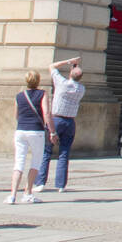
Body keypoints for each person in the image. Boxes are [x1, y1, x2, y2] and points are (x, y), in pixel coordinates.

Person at [36, 56, 86, 193]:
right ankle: (60, 185)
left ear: (70, 74)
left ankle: (40, 182)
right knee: (64, 153)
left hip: (56, 120)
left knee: (46, 151)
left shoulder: (62, 84)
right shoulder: (81, 89)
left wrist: (69, 62)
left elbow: (52, 66)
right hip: (70, 122)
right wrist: (74, 68)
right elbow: (75, 77)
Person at [8, 71, 55, 204]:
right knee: (36, 161)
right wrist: (52, 132)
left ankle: (12, 195)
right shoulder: (42, 94)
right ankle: (28, 193)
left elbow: (16, 115)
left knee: (19, 162)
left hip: (21, 130)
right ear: (38, 81)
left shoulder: (19, 95)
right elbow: (46, 113)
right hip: (36, 130)